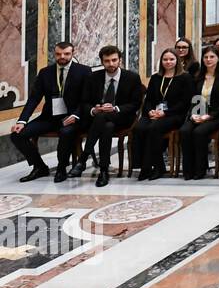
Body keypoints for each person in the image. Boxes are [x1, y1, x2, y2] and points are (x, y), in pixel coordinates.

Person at [10, 41, 93, 182]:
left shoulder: (84, 71)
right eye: (58, 54)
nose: (62, 57)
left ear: (73, 53)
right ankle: (40, 167)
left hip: (72, 117)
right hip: (49, 117)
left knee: (65, 132)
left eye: (66, 54)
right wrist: (22, 121)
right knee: (17, 135)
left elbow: (87, 99)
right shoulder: (45, 73)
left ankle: (61, 168)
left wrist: (76, 115)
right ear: (54, 54)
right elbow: (34, 98)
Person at [76, 45, 144, 187]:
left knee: (104, 119)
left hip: (123, 117)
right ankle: (103, 171)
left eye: (114, 60)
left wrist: (115, 108)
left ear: (120, 60)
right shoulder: (93, 77)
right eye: (107, 61)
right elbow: (84, 102)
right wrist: (95, 109)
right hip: (99, 118)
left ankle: (82, 159)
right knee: (106, 126)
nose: (111, 64)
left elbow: (135, 104)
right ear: (102, 61)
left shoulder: (132, 77)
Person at [131, 48, 195, 180]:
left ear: (177, 61)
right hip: (154, 113)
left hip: (174, 115)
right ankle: (143, 165)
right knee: (139, 128)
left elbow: (185, 103)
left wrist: (164, 113)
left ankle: (157, 167)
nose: (168, 62)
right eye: (165, 59)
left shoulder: (185, 78)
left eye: (171, 59)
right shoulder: (156, 77)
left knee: (153, 128)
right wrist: (150, 111)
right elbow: (148, 100)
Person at [179, 45, 219, 180]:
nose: (208, 60)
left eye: (212, 57)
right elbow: (193, 98)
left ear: (218, 58)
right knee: (185, 130)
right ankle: (188, 170)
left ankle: (200, 169)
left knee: (199, 132)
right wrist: (194, 114)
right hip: (199, 112)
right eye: (206, 57)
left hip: (218, 115)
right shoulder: (198, 76)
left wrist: (209, 116)